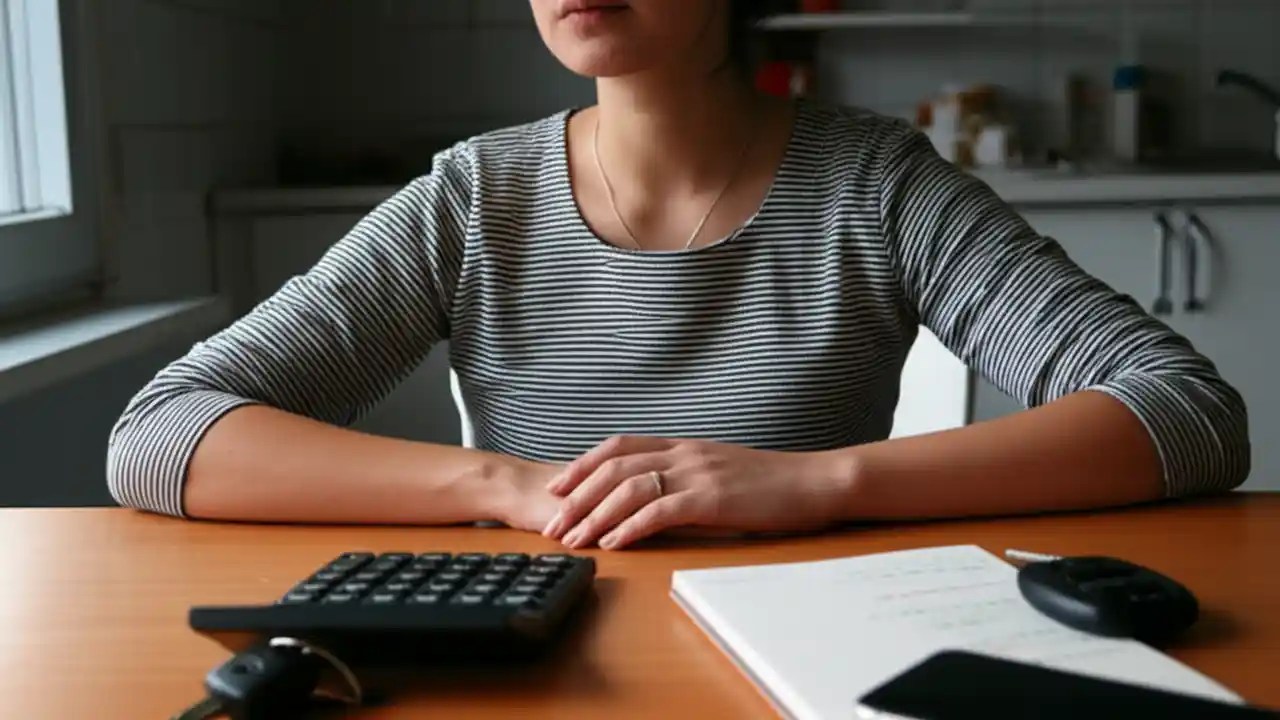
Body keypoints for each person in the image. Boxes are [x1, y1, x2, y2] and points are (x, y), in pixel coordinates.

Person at [106, 0, 1249, 551]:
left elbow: (1185, 415)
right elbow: (160, 436)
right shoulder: (472, 197)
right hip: (541, 662)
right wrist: (500, 485)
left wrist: (819, 483)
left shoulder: (875, 184)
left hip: (810, 656)